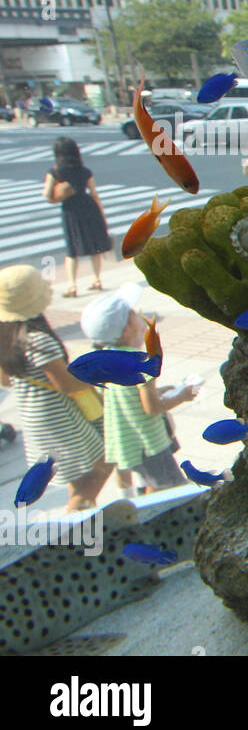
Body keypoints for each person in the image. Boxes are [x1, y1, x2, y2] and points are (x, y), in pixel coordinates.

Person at [0, 265, 111, 512]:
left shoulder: (5, 337)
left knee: (75, 474)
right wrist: (100, 375)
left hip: (33, 419)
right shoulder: (38, 339)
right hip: (59, 418)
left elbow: (6, 380)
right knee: (106, 460)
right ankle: (73, 522)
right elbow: (66, 384)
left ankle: (82, 519)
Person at [81, 286, 195, 496]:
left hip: (127, 442)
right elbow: (152, 408)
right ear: (126, 330)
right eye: (132, 313)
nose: (138, 314)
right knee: (173, 491)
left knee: (150, 487)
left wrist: (160, 390)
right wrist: (183, 395)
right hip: (149, 443)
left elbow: (125, 395)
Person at [42, 137, 111, 298]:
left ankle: (72, 286)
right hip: (89, 208)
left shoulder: (55, 172)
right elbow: (94, 194)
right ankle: (96, 280)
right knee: (94, 246)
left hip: (70, 211)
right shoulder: (85, 171)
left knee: (71, 249)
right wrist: (102, 214)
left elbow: (47, 194)